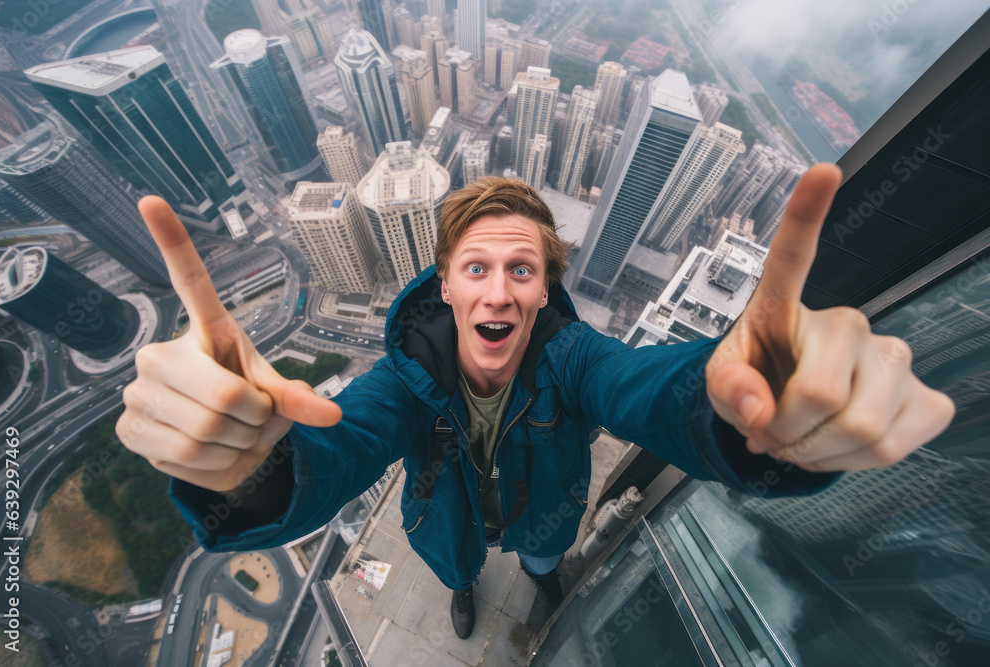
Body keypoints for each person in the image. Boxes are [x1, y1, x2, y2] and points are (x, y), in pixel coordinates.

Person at [116, 166, 954, 640]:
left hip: (545, 519)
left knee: (547, 563)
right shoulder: (403, 374)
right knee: (460, 571)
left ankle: (547, 583)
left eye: (523, 270)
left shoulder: (574, 357)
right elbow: (338, 450)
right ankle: (464, 588)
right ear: (445, 286)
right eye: (477, 268)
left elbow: (651, 393)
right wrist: (247, 467)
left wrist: (750, 413)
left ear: (545, 287)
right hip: (446, 531)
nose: (501, 291)